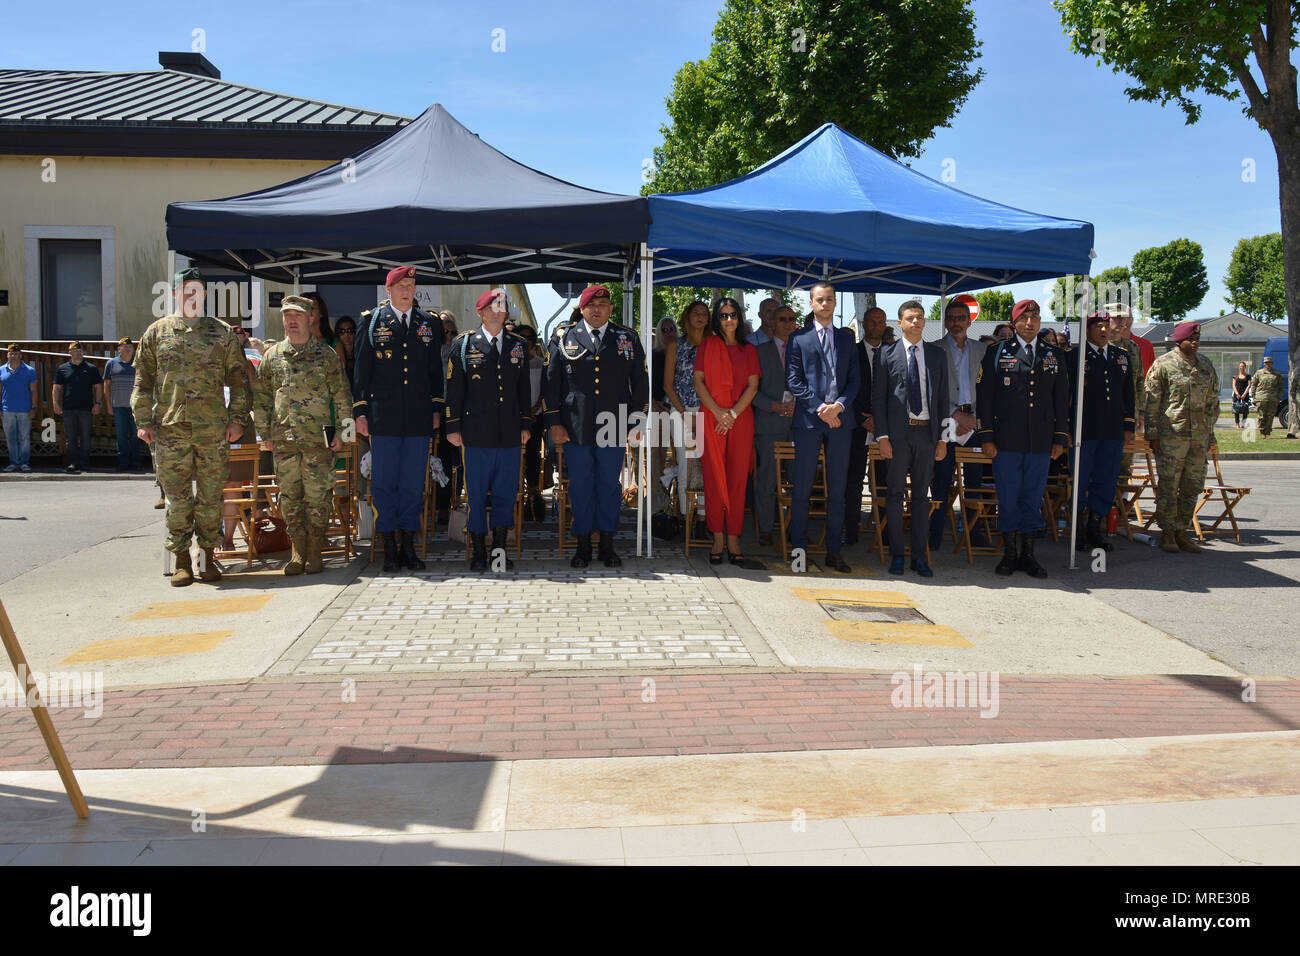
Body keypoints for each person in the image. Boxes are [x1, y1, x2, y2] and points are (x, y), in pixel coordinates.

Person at [132, 268, 251, 587]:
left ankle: (208, 557)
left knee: (211, 497)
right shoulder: (157, 333)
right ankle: (183, 560)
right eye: (185, 290)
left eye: (197, 290)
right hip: (170, 430)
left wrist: (237, 419)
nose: (191, 296)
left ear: (205, 295)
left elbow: (239, 381)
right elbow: (142, 382)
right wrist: (143, 421)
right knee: (178, 498)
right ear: (173, 294)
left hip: (213, 431)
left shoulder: (221, 333)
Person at [542, 284, 648, 568]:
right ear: (583, 309)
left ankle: (608, 545)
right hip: (575, 425)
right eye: (592, 305)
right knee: (581, 486)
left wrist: (638, 420)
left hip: (613, 424)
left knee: (609, 486)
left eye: (603, 305)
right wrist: (554, 423)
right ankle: (583, 544)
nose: (597, 309)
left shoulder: (626, 337)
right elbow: (550, 384)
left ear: (611, 308)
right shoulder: (564, 338)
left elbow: (640, 382)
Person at [353, 266, 443, 573]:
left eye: (411, 284)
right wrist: (360, 412)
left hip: (418, 418)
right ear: (388, 290)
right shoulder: (372, 322)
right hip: (384, 419)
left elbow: (434, 372)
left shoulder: (428, 323)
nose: (407, 290)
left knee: (412, 484)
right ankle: (389, 548)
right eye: (401, 285)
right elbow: (361, 372)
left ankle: (408, 547)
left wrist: (436, 408)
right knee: (384, 484)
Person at [253, 295, 353, 575]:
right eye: (287, 316)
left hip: (317, 442)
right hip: (284, 441)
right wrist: (264, 433)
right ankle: (297, 551)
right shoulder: (272, 357)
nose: (292, 321)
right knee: (291, 498)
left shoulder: (326, 355)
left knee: (318, 498)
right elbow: (260, 397)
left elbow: (342, 396)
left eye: (298, 315)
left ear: (311, 318)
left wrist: (343, 434)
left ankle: (315, 549)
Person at [975, 298, 1069, 578]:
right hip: (1006, 441)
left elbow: (1062, 399)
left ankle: (1028, 555)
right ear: (1013, 323)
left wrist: (1060, 438)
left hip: (1041, 442)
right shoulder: (997, 352)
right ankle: (1009, 554)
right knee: (1008, 497)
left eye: (1035, 318)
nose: (1030, 324)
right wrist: (987, 437)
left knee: (1032, 497)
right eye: (1024, 319)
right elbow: (985, 398)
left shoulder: (1055, 354)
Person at [444, 289, 533, 571]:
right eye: (492, 307)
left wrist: (526, 424)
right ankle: (479, 551)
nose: (498, 311)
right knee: (477, 495)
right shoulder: (464, 344)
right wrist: (452, 426)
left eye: (502, 307)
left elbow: (524, 390)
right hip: (475, 434)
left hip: (508, 432)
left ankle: (500, 551)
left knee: (506, 493)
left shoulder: (518, 345)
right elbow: (453, 390)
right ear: (481, 312)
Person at [786, 281, 859, 572]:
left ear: (835, 303)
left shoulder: (846, 339)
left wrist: (839, 406)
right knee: (802, 488)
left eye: (830, 299)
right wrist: (821, 408)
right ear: (812, 304)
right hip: (808, 421)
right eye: (820, 299)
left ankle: (833, 551)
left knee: (837, 491)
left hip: (841, 420)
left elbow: (855, 380)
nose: (825, 303)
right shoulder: (798, 338)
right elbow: (793, 381)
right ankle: (799, 552)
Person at [873, 301, 949, 576]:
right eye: (910, 318)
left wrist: (943, 440)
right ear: (900, 323)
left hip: (927, 434)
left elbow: (943, 399)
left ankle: (919, 556)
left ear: (925, 322)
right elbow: (878, 399)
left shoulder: (937, 355)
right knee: (894, 495)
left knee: (921, 497)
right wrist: (882, 437)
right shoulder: (885, 354)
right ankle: (896, 555)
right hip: (897, 435)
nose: (915, 322)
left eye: (919, 317)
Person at [693, 297, 760, 563]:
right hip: (711, 416)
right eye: (722, 315)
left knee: (737, 479)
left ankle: (733, 536)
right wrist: (719, 412)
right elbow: (699, 382)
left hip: (740, 419)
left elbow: (752, 386)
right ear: (715, 319)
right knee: (713, 478)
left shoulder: (750, 350)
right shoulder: (707, 345)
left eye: (732, 315)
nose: (728, 320)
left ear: (739, 317)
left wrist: (731, 414)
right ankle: (717, 536)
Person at [1144, 321, 1218, 554]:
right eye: (1191, 339)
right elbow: (1151, 402)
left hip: (1199, 437)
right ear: (1179, 341)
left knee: (1192, 485)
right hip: (1171, 437)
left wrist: (1210, 433)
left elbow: (1212, 401)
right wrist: (1152, 434)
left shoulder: (1205, 365)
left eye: (1198, 339)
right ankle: (1166, 532)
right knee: (1169, 485)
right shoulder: (1163, 365)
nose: (1196, 343)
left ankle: (1182, 531)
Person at [1068, 312, 1135, 553]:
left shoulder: (1122, 357)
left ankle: (1095, 527)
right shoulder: (1074, 357)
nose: (1104, 330)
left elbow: (1129, 394)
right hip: (1084, 431)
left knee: (1106, 480)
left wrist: (1128, 424)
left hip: (1112, 430)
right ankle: (1077, 529)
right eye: (1098, 326)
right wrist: (1066, 428)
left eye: (1107, 326)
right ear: (1087, 330)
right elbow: (1066, 396)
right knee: (1081, 480)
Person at [930, 299, 990, 551]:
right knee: (941, 479)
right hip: (946, 419)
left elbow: (988, 389)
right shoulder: (933, 349)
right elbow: (931, 391)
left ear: (969, 321)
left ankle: (973, 531)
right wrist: (955, 414)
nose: (956, 323)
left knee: (975, 482)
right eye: (951, 318)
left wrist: (974, 417)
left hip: (974, 422)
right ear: (945, 321)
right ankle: (934, 533)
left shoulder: (983, 350)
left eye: (960, 318)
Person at [752, 305, 798, 547]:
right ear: (773, 321)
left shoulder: (805, 351)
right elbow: (750, 392)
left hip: (798, 426)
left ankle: (793, 528)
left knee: (797, 480)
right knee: (768, 481)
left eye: (792, 319)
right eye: (783, 319)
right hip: (769, 425)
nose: (788, 323)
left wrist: (799, 405)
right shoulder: (758, 351)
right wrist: (773, 406)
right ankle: (766, 529)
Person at [663, 300, 710, 518]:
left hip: (707, 410)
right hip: (680, 410)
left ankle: (702, 517)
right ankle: (686, 516)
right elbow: (667, 384)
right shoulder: (675, 345)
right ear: (687, 317)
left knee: (705, 464)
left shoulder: (713, 345)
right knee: (686, 465)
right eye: (696, 313)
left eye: (704, 313)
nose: (700, 317)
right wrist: (684, 414)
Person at [844, 307, 886, 547]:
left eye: (880, 322)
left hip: (885, 428)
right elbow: (847, 387)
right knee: (854, 479)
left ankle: (885, 531)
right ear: (863, 323)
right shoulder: (852, 352)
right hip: (857, 425)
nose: (876, 326)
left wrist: (881, 420)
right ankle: (851, 530)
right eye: (872, 322)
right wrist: (863, 418)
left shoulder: (893, 352)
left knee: (884, 480)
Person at [52, 341, 103, 473]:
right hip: (68, 408)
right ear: (69, 352)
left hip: (86, 408)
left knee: (86, 437)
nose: (78, 353)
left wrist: (97, 403)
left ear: (83, 352)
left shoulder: (91, 368)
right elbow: (56, 388)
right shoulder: (62, 368)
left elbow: (98, 387)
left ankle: (85, 463)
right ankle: (73, 463)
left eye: (80, 351)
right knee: (71, 437)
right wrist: (55, 404)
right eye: (74, 351)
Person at [101, 337, 142, 472]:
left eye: (130, 346)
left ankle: (136, 463)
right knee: (121, 436)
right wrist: (108, 405)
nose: (127, 349)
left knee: (137, 435)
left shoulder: (139, 363)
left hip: (136, 406)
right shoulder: (111, 364)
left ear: (133, 349)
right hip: (118, 405)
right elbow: (106, 385)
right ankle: (123, 463)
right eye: (124, 347)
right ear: (119, 349)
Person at [2, 344, 38, 472]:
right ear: (7, 355)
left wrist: (33, 408)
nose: (14, 356)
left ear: (21, 355)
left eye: (16, 353)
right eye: (11, 353)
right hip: (7, 409)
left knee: (24, 437)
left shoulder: (29, 370)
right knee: (10, 437)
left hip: (25, 409)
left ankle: (24, 463)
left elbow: (34, 391)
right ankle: (13, 462)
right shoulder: (1, 370)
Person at [1249, 356, 1284, 437]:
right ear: (1264, 364)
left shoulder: (1276, 374)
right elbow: (1253, 384)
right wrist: (1253, 396)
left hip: (1273, 398)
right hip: (1261, 397)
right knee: (1262, 416)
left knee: (1270, 416)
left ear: (1272, 363)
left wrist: (1279, 397)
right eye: (1266, 363)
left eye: (1269, 363)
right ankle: (1262, 432)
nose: (1268, 364)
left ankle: (1268, 432)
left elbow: (1281, 386)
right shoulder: (1259, 373)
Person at [334, 317, 358, 382]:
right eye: (342, 331)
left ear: (355, 333)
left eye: (350, 331)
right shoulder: (334, 354)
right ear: (338, 334)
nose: (346, 334)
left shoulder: (360, 353)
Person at [1231, 361, 1252, 428]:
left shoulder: (1248, 376)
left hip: (1245, 395)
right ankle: (1237, 424)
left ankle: (1243, 423)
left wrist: (1245, 394)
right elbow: (1234, 385)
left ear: (1245, 367)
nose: (1241, 367)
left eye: (1243, 366)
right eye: (1240, 366)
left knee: (1245, 409)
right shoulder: (1236, 376)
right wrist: (1237, 393)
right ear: (1239, 367)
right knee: (1236, 410)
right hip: (1237, 394)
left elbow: (1249, 385)